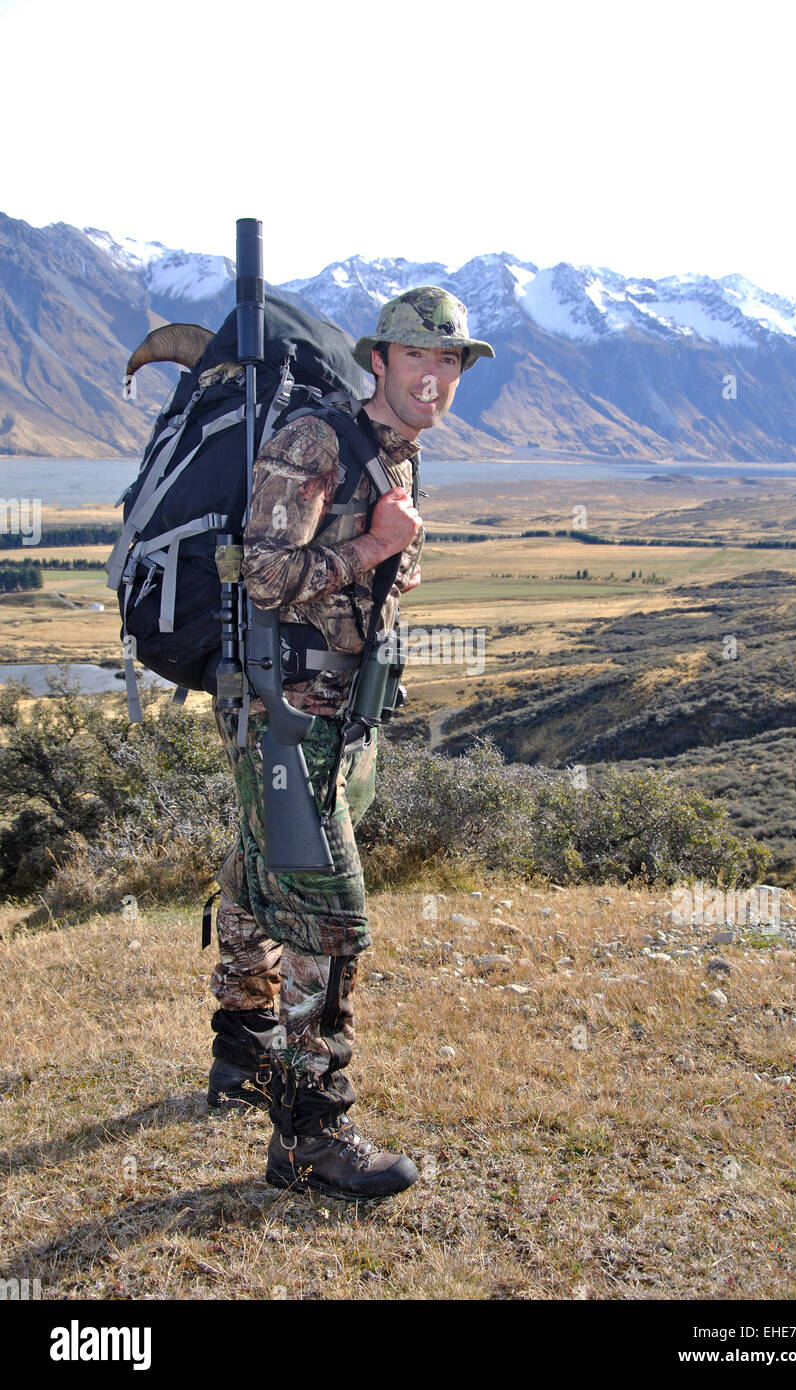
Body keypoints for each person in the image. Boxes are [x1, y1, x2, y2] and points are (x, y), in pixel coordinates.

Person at [208, 286, 494, 1200]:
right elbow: (263, 576)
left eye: (449, 362)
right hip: (288, 719)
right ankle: (310, 1137)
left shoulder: (396, 455)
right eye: (419, 357)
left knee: (259, 872)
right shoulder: (317, 441)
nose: (435, 376)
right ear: (379, 360)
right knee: (330, 924)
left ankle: (241, 1050)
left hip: (337, 719)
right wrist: (373, 547)